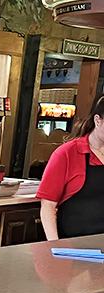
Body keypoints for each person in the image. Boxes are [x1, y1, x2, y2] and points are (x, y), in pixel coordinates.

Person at [38, 95, 104, 239]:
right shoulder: (67, 154)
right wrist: (55, 245)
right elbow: (48, 205)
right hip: (73, 247)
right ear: (97, 121)